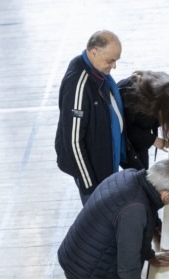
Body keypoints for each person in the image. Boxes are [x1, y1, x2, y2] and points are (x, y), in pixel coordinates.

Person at [55, 31, 125, 205]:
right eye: (111, 60)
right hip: (93, 174)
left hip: (105, 164)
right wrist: (90, 187)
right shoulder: (79, 84)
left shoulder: (98, 74)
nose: (114, 66)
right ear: (94, 52)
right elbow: (73, 141)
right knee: (100, 223)